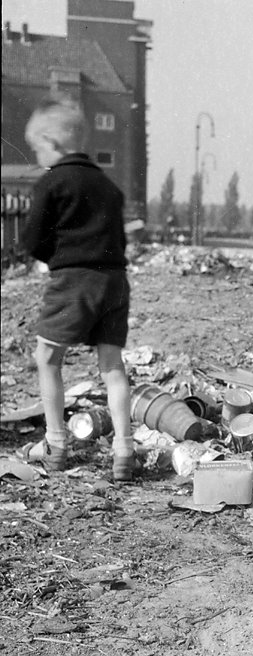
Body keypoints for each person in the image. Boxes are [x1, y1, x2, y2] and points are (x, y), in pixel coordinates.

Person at [21, 98, 135, 481]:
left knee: (48, 358)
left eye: (37, 147)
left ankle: (56, 443)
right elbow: (120, 241)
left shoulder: (52, 181)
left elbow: (32, 239)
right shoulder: (109, 186)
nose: (38, 155)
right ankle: (123, 450)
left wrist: (57, 258)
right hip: (115, 282)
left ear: (51, 141)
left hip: (74, 281)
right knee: (112, 366)